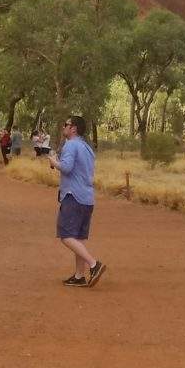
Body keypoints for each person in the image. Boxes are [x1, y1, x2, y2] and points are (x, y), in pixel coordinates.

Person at [55, 116, 104, 287]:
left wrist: (54, 162)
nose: (64, 127)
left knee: (66, 235)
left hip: (73, 196)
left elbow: (67, 168)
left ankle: (93, 264)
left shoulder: (71, 145)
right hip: (87, 198)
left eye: (66, 125)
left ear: (73, 129)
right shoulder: (87, 148)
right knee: (79, 237)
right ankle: (79, 276)